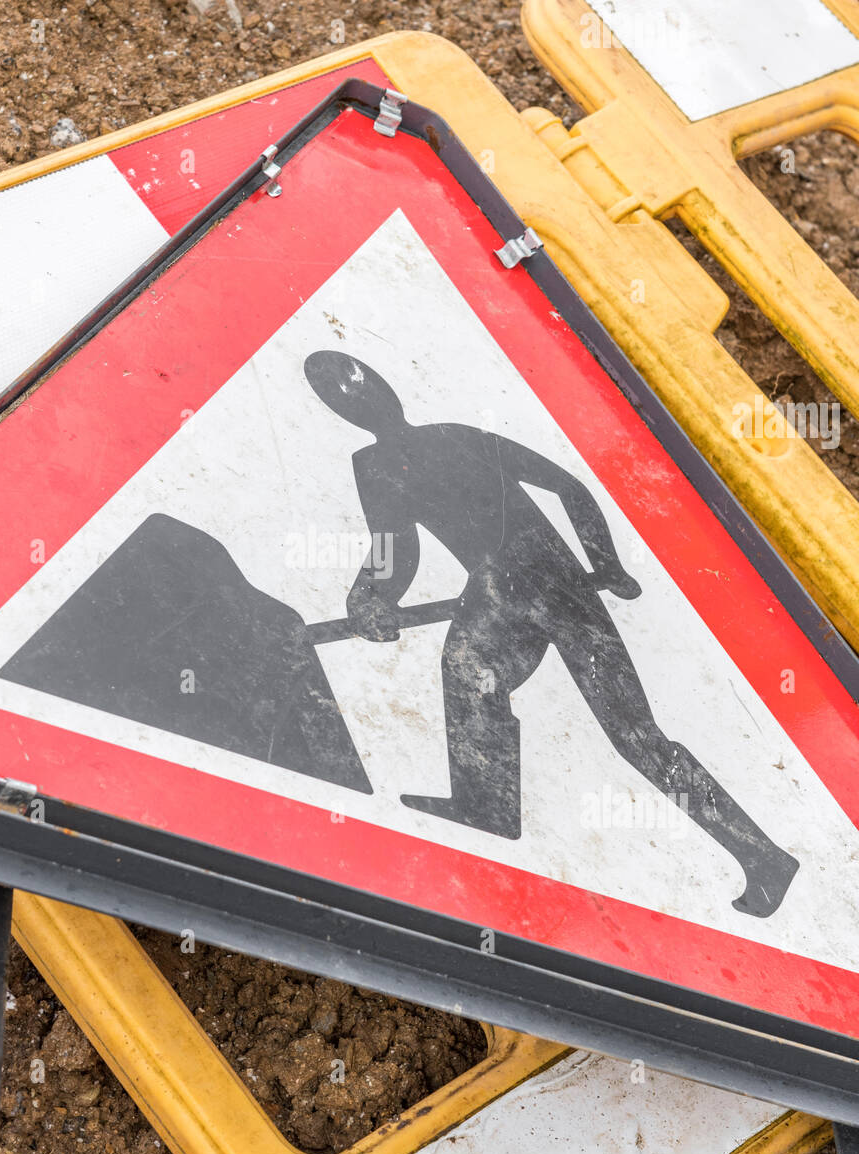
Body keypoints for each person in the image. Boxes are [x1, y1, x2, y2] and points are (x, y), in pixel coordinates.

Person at [304, 350, 799, 919]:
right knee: (469, 672)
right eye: (336, 391)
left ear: (389, 387)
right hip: (503, 590)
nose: (355, 396)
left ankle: (763, 858)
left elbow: (566, 487)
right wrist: (369, 596)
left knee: (632, 734)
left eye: (357, 380)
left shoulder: (455, 436)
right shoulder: (381, 464)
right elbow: (398, 550)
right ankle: (485, 804)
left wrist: (605, 561)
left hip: (544, 585)